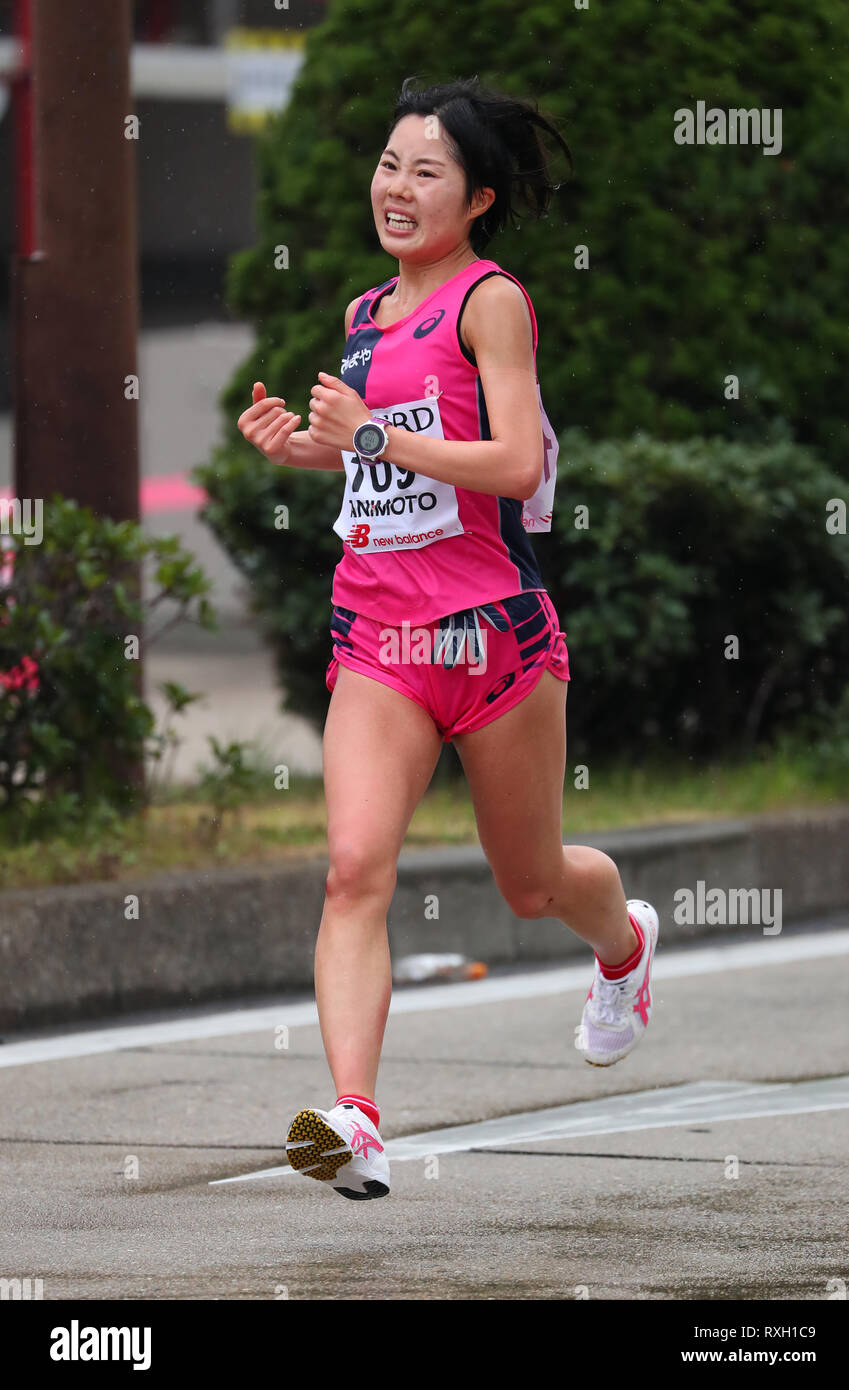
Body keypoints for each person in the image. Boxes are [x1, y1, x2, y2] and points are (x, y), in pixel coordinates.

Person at [237, 76, 659, 1201]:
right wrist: (311, 451)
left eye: (425, 172)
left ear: (474, 198)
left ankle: (620, 945)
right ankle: (356, 1118)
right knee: (350, 871)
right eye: (387, 165)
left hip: (491, 639)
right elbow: (392, 456)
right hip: (377, 631)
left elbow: (514, 461)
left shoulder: (489, 302)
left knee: (528, 884)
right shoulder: (367, 316)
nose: (397, 187)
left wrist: (372, 430)